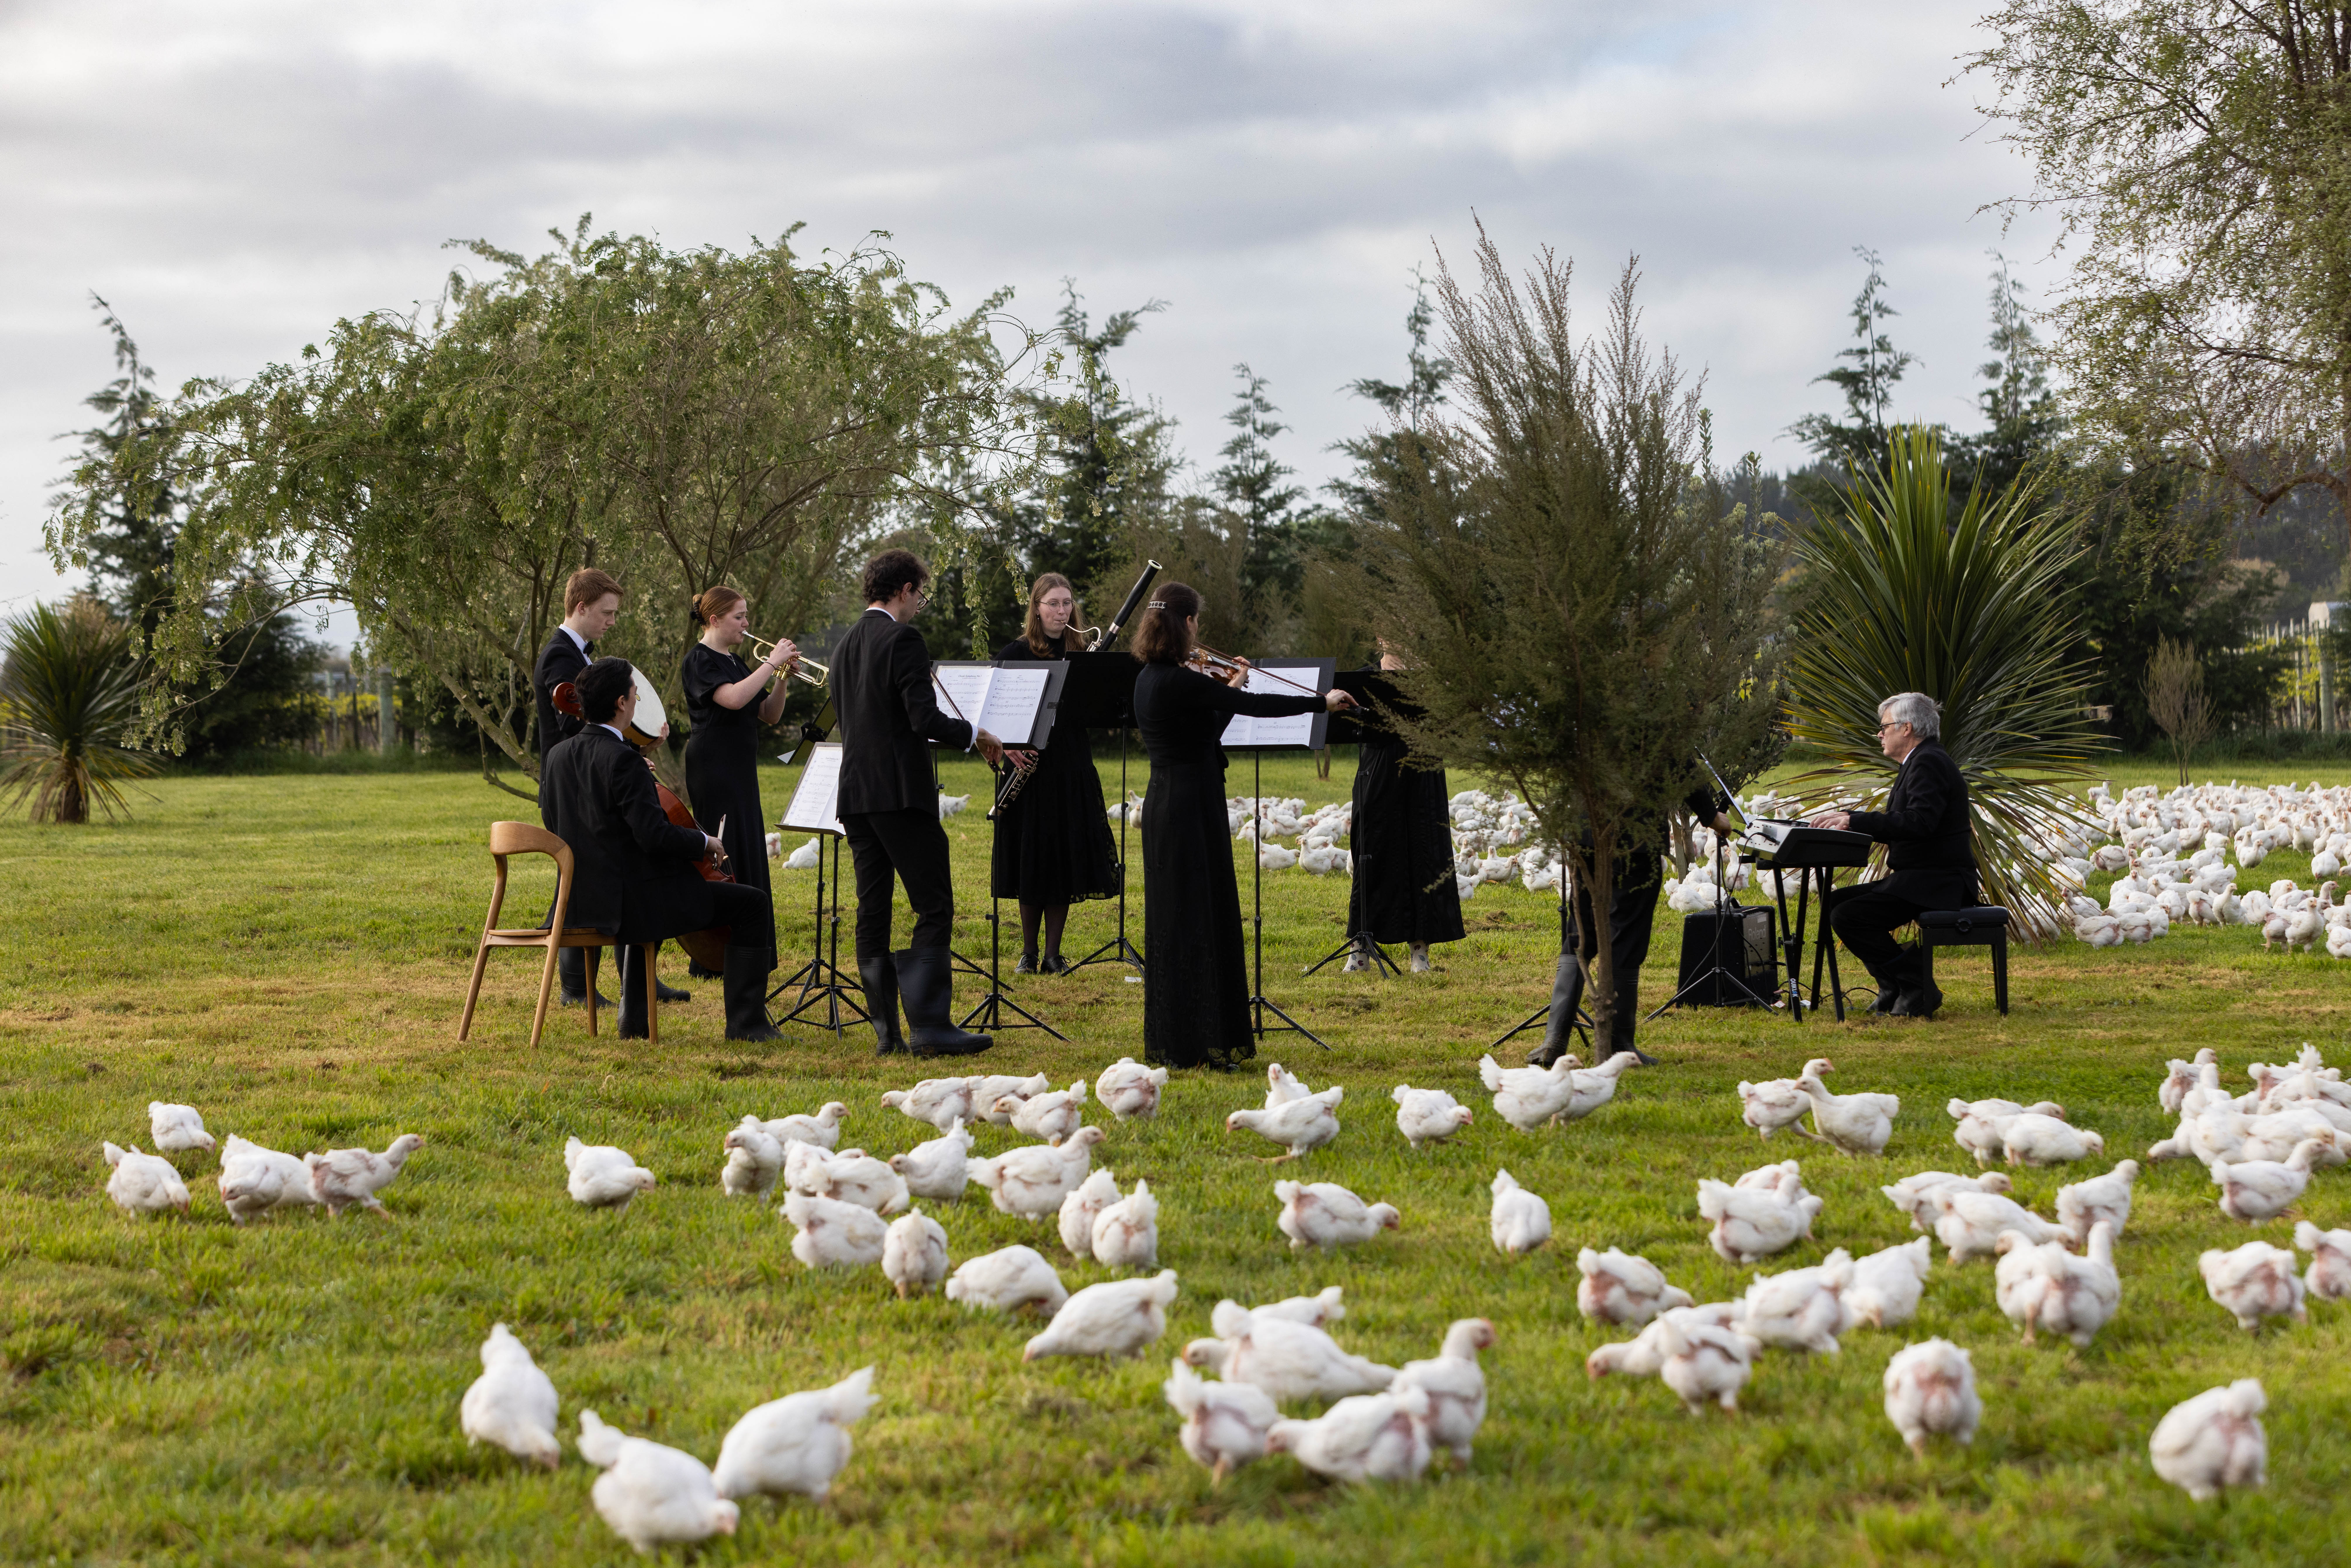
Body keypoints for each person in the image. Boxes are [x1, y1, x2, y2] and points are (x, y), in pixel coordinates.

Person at [1131, 582, 1356, 1070]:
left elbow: (1206, 729)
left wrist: (1228, 687)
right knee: (1201, 919)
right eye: (1195, 622)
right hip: (1190, 805)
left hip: (1167, 802)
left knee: (1178, 919)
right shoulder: (1183, 681)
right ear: (1186, 623)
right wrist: (1322, 703)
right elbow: (1257, 707)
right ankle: (1202, 1042)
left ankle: (1183, 1038)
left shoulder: (1150, 678)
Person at [538, 657, 780, 1041]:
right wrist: (705, 842)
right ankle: (747, 1024)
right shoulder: (624, 760)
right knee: (751, 903)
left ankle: (634, 1020)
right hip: (629, 905)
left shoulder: (557, 757)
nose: (637, 702)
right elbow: (654, 836)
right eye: (635, 695)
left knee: (647, 892)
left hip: (579, 901)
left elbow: (555, 825)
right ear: (621, 703)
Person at [835, 549, 1001, 1057]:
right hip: (900, 794)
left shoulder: (844, 645)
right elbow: (923, 720)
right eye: (920, 594)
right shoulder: (902, 638)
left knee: (873, 910)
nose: (919, 605)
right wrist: (977, 733)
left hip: (856, 794)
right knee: (932, 904)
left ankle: (887, 1035)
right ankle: (930, 1028)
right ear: (905, 589)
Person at [530, 568, 689, 1010]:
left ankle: (638, 982)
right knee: (582, 876)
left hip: (589, 779)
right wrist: (625, 747)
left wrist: (634, 744)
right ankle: (577, 987)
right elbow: (575, 723)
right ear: (581, 607)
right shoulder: (561, 656)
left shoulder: (579, 654)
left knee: (626, 869)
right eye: (607, 613)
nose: (612, 622)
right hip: (575, 784)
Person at [1528, 781, 1733, 1068]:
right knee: (1627, 937)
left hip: (1583, 831)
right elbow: (1679, 763)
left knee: (1580, 932)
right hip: (1635, 835)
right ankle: (1619, 1044)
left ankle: (1554, 1038)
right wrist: (1712, 815)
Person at [1809, 691, 1976, 1019]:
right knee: (1836, 904)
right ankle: (1893, 987)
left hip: (1937, 881)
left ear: (1907, 728)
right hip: (1922, 877)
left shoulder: (1928, 761)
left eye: (1884, 726)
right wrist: (1850, 821)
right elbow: (1907, 821)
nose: (1880, 734)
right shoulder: (1921, 759)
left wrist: (1854, 820)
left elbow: (1918, 822)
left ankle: (1916, 986)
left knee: (1848, 915)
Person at [993, 573, 1121, 973]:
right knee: (1032, 858)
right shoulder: (1014, 653)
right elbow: (992, 715)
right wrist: (1005, 747)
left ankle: (1052, 954)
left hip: (1070, 766)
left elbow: (1099, 709)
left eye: (1067, 603)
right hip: (1026, 768)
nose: (1062, 611)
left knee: (1063, 857)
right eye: (1053, 603)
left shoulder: (1081, 653)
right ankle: (1028, 953)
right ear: (1036, 608)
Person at [680, 586, 798, 985]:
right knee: (723, 854)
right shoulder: (700, 660)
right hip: (714, 767)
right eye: (739, 617)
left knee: (748, 848)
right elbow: (730, 700)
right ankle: (713, 957)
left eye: (747, 616)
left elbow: (768, 713)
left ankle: (749, 952)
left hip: (740, 769)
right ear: (714, 620)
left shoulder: (737, 662)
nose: (747, 625)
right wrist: (770, 665)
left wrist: (781, 677)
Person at [1341, 644, 1463, 975]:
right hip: (1377, 770)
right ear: (1380, 636)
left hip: (1423, 771)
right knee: (1372, 849)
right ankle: (1360, 948)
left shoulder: (1431, 678)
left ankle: (1420, 951)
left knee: (1423, 852)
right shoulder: (1364, 678)